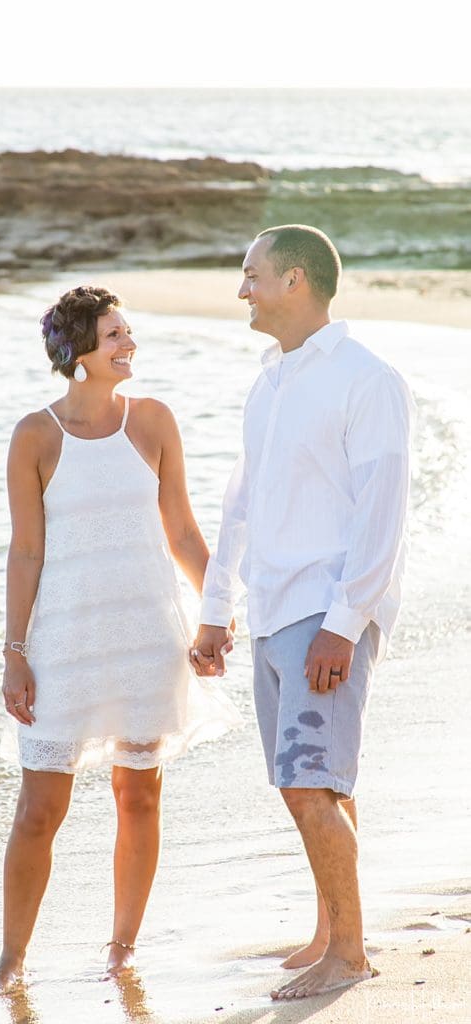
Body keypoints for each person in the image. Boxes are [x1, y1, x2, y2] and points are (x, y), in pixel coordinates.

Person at [0, 285, 240, 994]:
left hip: (147, 636)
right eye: (115, 335)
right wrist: (14, 653)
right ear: (78, 352)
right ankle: (11, 959)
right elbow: (25, 552)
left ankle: (122, 947)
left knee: (140, 796)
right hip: (64, 642)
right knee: (38, 809)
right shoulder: (35, 434)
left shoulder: (153, 421)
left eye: (129, 332)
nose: (129, 344)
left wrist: (217, 608)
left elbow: (181, 531)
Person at [191, 225, 413, 1000]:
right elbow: (242, 505)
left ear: (295, 280)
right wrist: (217, 608)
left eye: (251, 274)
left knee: (307, 782)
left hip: (325, 610)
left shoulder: (365, 378)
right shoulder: (272, 380)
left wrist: (343, 622)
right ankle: (330, 931)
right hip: (275, 607)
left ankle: (348, 952)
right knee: (320, 781)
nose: (241, 289)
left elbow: (381, 511)